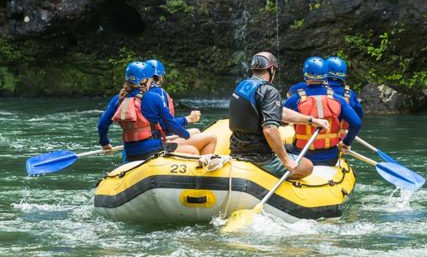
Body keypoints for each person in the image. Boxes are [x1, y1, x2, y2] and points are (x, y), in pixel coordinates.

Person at [229, 51, 330, 180]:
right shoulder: (269, 91)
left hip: (237, 150)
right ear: (271, 69)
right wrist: (286, 160)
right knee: (307, 166)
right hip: (261, 157)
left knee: (286, 147)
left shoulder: (243, 85)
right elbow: (270, 129)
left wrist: (311, 120)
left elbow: (280, 111)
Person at [97, 61, 198, 162]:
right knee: (193, 151)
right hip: (152, 150)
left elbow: (102, 124)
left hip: (130, 152)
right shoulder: (154, 98)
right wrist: (187, 136)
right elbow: (171, 125)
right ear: (144, 81)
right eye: (150, 79)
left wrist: (105, 143)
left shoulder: (117, 99)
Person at [283, 57, 361, 166]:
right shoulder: (338, 99)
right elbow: (356, 123)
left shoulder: (295, 99)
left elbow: (281, 121)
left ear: (305, 74)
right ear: (325, 74)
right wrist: (346, 143)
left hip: (301, 156)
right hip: (330, 158)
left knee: (284, 147)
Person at [145, 59, 216, 155]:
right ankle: (203, 166)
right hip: (160, 140)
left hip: (150, 139)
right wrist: (188, 119)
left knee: (196, 131)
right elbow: (165, 125)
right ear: (160, 76)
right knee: (211, 138)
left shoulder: (140, 93)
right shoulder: (158, 93)